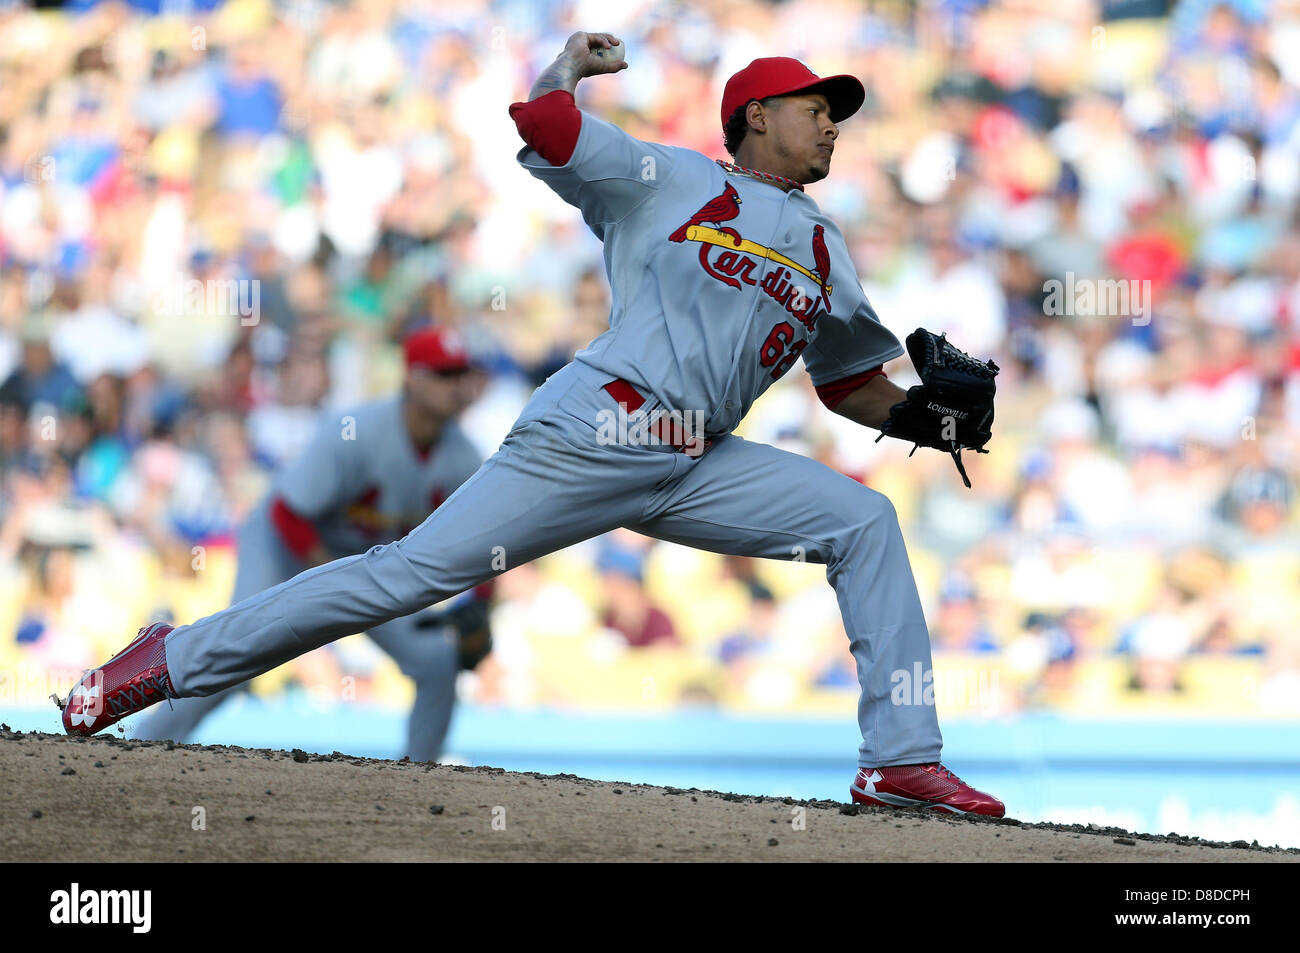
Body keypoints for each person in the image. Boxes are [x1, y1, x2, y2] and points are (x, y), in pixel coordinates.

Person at [60, 33, 1005, 816]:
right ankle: (167, 659)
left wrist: (939, 423)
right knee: (408, 575)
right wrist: (568, 68)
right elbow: (546, 126)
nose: (832, 124)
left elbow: (850, 386)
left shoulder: (827, 247)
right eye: (814, 107)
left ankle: (898, 759)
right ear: (757, 116)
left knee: (866, 523)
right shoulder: (665, 178)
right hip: (601, 425)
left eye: (835, 113)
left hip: (696, 458)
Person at [134, 326, 492, 762]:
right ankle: (143, 746)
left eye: (461, 374)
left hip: (368, 565)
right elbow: (289, 514)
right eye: (444, 374)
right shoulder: (358, 430)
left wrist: (481, 608)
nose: (457, 386)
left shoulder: (463, 457)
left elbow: (486, 538)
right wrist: (332, 586)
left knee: (437, 660)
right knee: (239, 656)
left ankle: (421, 779)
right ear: (412, 377)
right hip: (284, 546)